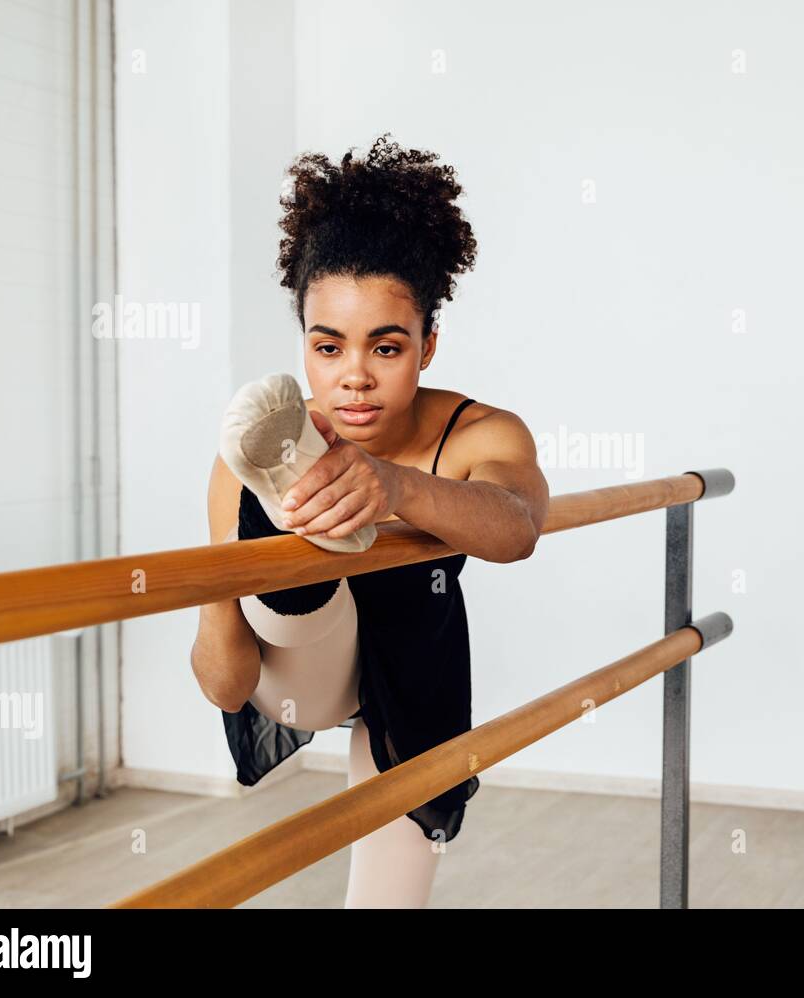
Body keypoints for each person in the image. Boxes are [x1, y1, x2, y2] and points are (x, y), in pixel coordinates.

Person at [189, 134, 549, 908]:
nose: (353, 376)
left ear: (428, 344)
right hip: (301, 670)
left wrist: (390, 486)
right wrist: (221, 578)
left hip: (414, 674)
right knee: (277, 564)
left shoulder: (481, 432)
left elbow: (517, 527)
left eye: (386, 347)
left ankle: (297, 524)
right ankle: (279, 534)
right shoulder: (246, 451)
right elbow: (227, 689)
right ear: (306, 349)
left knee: (387, 903)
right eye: (328, 347)